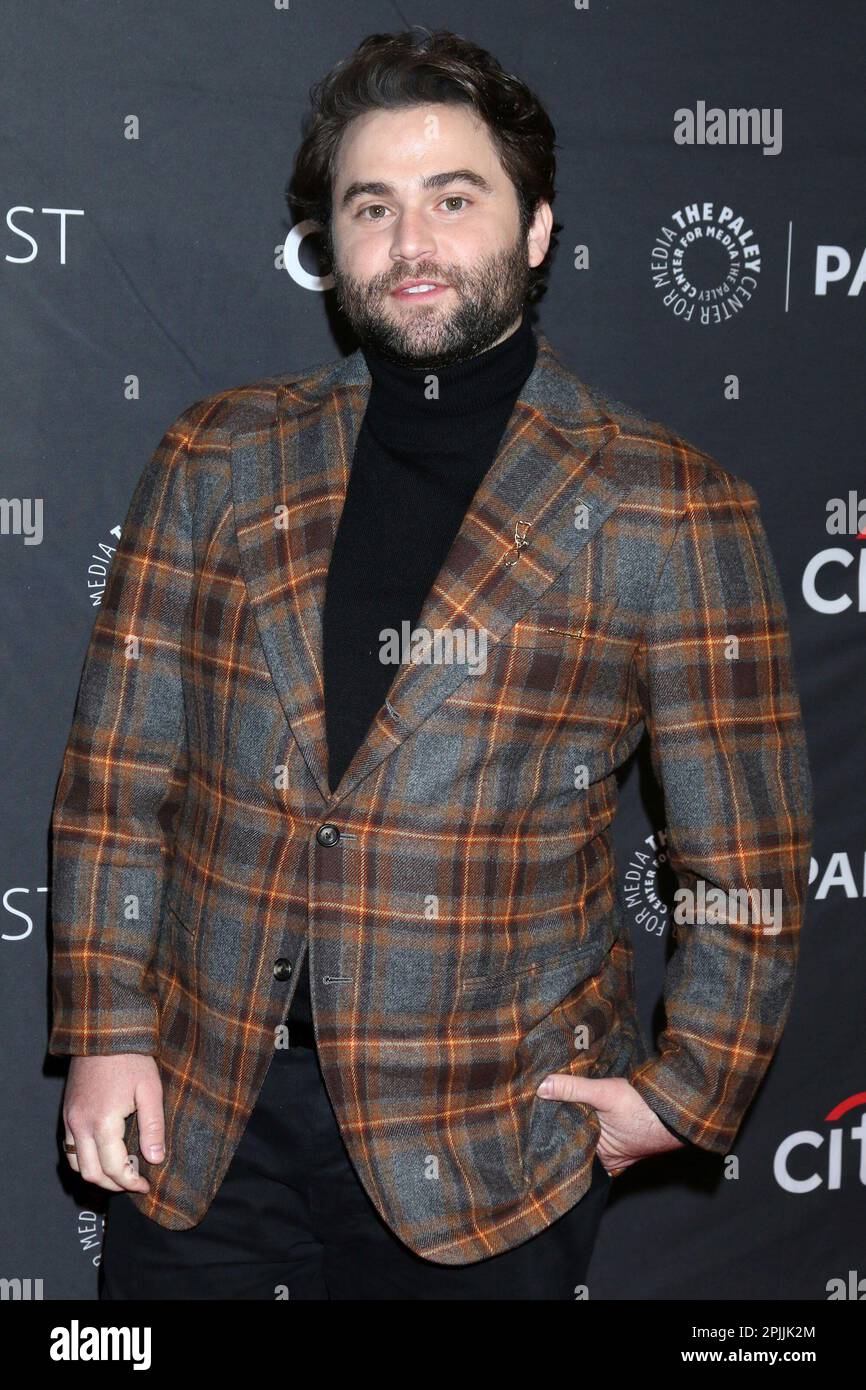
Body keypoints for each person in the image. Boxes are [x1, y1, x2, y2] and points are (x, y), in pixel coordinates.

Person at [49, 27, 813, 1300]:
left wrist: (685, 1090)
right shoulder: (219, 457)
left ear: (534, 230)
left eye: (454, 199)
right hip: (199, 1115)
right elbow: (119, 777)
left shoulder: (666, 506)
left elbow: (744, 858)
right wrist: (106, 1030)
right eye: (373, 207)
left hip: (491, 1151)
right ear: (331, 247)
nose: (411, 243)